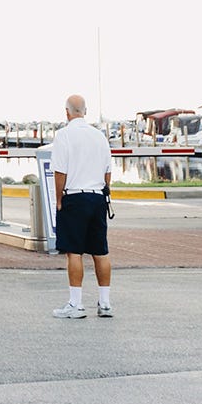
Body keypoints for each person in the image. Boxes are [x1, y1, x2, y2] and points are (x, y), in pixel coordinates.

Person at [48, 94, 114, 318]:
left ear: (67, 112)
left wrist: (58, 199)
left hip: (74, 197)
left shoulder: (63, 136)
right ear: (85, 111)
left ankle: (75, 305)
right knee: (100, 251)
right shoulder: (99, 136)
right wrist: (104, 192)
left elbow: (60, 171)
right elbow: (108, 172)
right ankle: (105, 303)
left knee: (74, 252)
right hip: (97, 197)